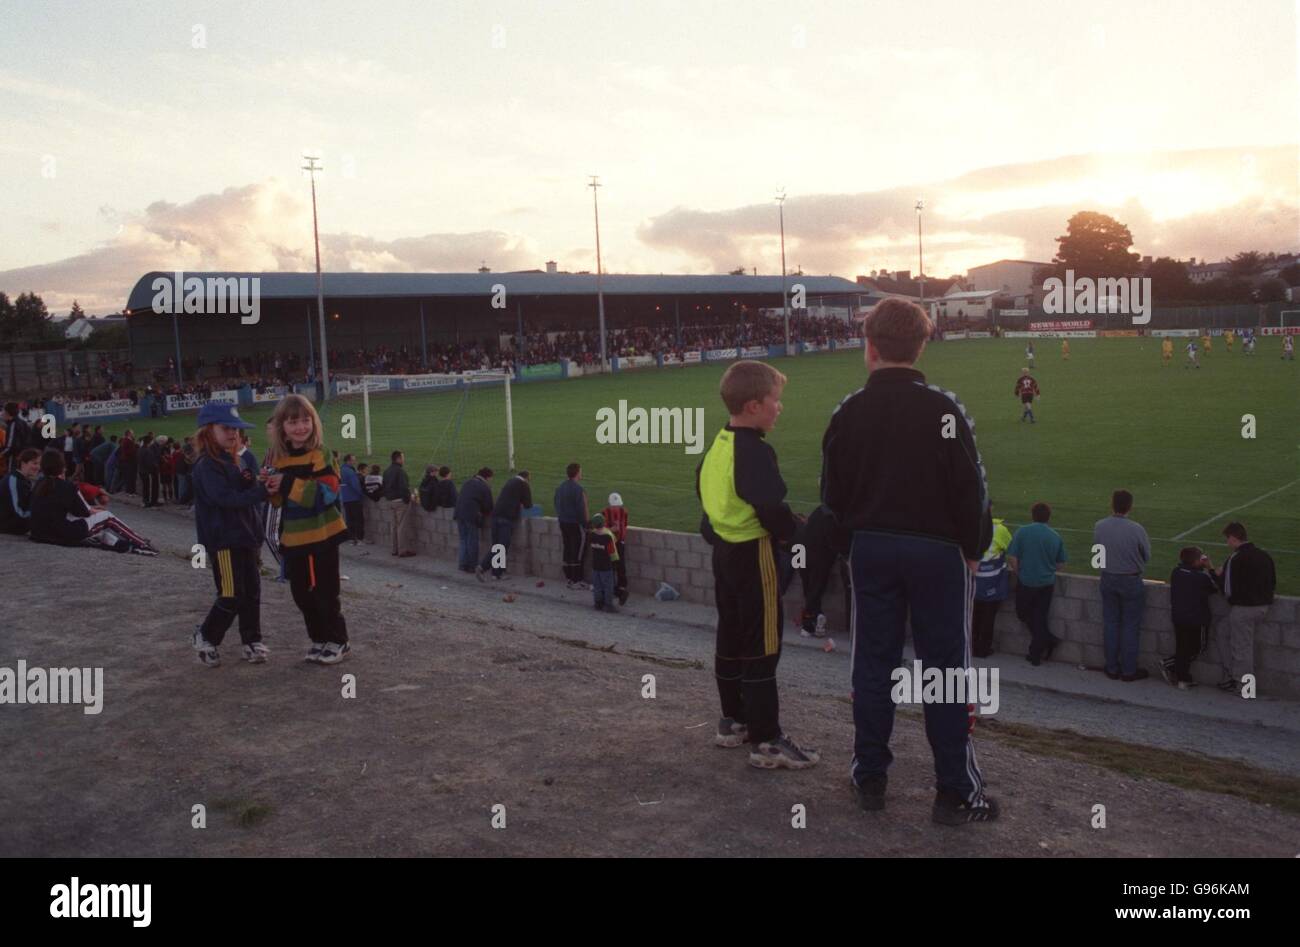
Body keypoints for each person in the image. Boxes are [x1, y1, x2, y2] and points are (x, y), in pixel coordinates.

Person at [822, 298, 995, 822]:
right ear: (923, 344)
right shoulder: (945, 409)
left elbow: (833, 497)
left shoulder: (848, 411)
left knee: (874, 664)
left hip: (872, 549)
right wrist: (973, 549)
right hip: (938, 554)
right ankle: (954, 791)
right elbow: (972, 490)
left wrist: (854, 547)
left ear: (869, 346)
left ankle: (870, 776)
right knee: (945, 672)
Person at [700, 359, 817, 771]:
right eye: (775, 401)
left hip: (724, 556)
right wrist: (792, 534)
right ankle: (766, 740)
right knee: (763, 646)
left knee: (730, 638)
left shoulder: (718, 445)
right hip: (754, 555)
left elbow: (708, 508)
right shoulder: (755, 451)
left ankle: (732, 721)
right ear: (753, 406)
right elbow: (771, 509)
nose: (779, 408)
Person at [266, 394, 351, 664]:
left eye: (305, 420)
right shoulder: (277, 457)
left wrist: (286, 484)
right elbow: (278, 501)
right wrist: (270, 487)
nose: (301, 427)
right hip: (294, 536)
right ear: (282, 426)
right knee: (301, 593)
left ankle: (338, 640)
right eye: (293, 422)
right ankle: (318, 638)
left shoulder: (321, 453)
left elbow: (327, 493)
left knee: (326, 590)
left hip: (324, 533)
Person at [190, 402, 273, 668]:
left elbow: (239, 490)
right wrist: (259, 492)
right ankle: (206, 637)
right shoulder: (207, 465)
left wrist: (253, 480)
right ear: (207, 431)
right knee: (231, 593)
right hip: (224, 540)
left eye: (235, 429)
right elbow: (224, 498)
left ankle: (251, 641)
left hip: (246, 537)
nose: (233, 434)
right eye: (226, 428)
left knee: (252, 592)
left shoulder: (232, 460)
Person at [1093, 489, 1151, 681]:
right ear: (1130, 506)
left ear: (1112, 504)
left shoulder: (1100, 526)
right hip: (1130, 579)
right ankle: (1128, 670)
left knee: (1110, 623)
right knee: (1130, 626)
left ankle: (1111, 667)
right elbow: (1146, 556)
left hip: (1108, 578)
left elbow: (1097, 556)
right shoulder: (1137, 529)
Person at [1215, 522, 1276, 695]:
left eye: (1228, 539)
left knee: (1242, 649)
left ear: (1234, 538)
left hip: (1243, 609)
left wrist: (1216, 573)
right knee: (1223, 631)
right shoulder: (1264, 555)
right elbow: (1272, 581)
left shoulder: (1235, 558)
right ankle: (1232, 676)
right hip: (1263, 606)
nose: (1227, 543)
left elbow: (1226, 590)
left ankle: (1246, 688)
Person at [1006, 502, 1067, 666]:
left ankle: (1042, 646)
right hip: (1046, 583)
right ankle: (1040, 647)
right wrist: (1048, 569)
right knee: (1040, 617)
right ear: (1049, 517)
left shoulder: (1022, 532)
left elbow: (1012, 557)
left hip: (1027, 581)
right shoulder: (1055, 536)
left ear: (1032, 515)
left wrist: (1019, 572)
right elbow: (1061, 563)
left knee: (1023, 614)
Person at [1162, 546, 1219, 690]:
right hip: (1196, 619)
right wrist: (1211, 568)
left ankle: (1183, 678)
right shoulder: (1201, 577)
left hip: (1179, 617)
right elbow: (1217, 587)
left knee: (1182, 647)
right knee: (1198, 647)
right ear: (1196, 561)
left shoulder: (1176, 572)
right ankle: (1170, 665)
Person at [971, 503, 1013, 658]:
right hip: (992, 583)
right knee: (988, 618)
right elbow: (1011, 548)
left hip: (974, 582)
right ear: (991, 509)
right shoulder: (999, 530)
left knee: (975, 616)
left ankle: (973, 647)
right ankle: (983, 649)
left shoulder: (969, 525)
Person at [477, 470, 531, 580]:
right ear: (526, 478)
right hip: (507, 518)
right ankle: (482, 567)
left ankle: (496, 574)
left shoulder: (509, 481)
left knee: (497, 545)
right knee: (502, 547)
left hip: (495, 516)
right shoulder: (523, 484)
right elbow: (528, 504)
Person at [555, 462, 590, 589]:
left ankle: (569, 578)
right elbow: (582, 509)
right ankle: (576, 579)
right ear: (577, 473)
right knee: (577, 551)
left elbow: (556, 504)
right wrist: (586, 524)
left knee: (568, 548)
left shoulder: (560, 488)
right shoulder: (578, 490)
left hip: (563, 522)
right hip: (574, 524)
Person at [455, 467, 494, 572]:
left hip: (459, 513)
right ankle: (472, 565)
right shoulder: (484, 487)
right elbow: (488, 506)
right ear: (488, 477)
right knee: (472, 541)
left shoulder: (467, 482)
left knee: (463, 540)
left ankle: (462, 564)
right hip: (471, 515)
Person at [383, 450, 416, 558]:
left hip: (389, 501)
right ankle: (402, 550)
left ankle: (394, 549)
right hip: (400, 502)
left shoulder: (387, 471)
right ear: (398, 459)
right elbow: (404, 488)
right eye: (402, 457)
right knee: (401, 526)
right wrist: (408, 498)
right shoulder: (400, 472)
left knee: (394, 526)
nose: (403, 459)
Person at [0, 448, 40, 535]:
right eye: (34, 463)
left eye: (39, 464)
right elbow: (18, 512)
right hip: (7, 525)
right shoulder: (13, 479)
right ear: (23, 463)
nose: (38, 467)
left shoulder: (25, 480)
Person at [601, 491, 630, 606]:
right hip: (618, 543)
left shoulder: (605, 512)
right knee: (619, 564)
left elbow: (601, 528)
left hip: (611, 543)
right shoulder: (624, 512)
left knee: (612, 566)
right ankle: (620, 587)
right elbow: (625, 525)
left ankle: (614, 589)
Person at [587, 512, 620, 612]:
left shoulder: (591, 535)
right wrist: (616, 562)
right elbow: (612, 552)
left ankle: (598, 603)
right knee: (608, 586)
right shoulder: (607, 537)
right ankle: (608, 605)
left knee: (597, 585)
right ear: (604, 523)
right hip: (606, 566)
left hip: (595, 565)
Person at [340, 453, 364, 544]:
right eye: (353, 460)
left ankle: (351, 538)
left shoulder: (341, 470)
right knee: (358, 519)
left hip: (345, 498)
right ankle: (359, 538)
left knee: (349, 519)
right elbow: (355, 485)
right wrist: (361, 494)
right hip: (354, 498)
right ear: (348, 461)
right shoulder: (350, 472)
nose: (354, 462)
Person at [1, 403, 31, 475]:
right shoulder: (22, 422)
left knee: (11, 476)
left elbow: (11, 446)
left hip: (14, 457)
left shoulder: (13, 424)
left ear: (7, 413)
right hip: (23, 456)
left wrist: (2, 454)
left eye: (3, 411)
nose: (2, 414)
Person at [138, 433, 160, 507]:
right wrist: (155, 467)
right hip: (148, 472)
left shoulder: (141, 449)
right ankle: (150, 501)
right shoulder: (148, 450)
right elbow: (150, 462)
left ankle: (146, 500)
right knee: (150, 487)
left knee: (145, 487)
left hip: (142, 470)